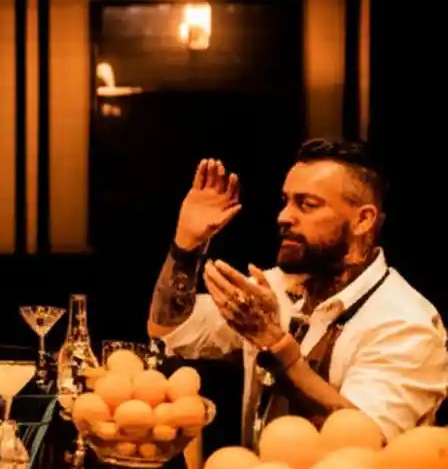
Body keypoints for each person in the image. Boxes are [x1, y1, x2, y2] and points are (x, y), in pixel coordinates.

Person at [147, 139, 448, 445]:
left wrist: (275, 344)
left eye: (306, 204)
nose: (283, 216)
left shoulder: (404, 324)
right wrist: (186, 246)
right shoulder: (276, 288)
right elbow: (170, 329)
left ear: (362, 219)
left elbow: (364, 441)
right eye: (286, 201)